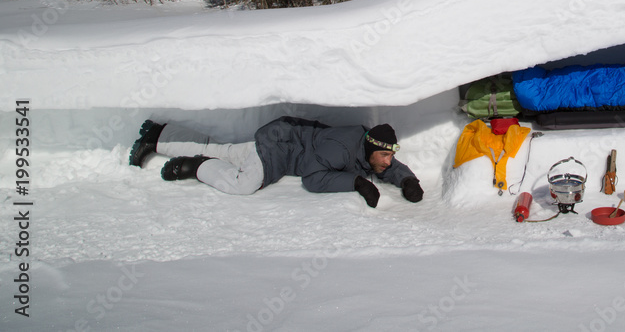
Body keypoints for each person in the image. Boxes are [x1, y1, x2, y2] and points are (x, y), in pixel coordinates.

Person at [128, 116, 423, 207]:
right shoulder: (340, 150)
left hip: (280, 138)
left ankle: (157, 135)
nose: (388, 161)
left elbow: (384, 166)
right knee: (244, 184)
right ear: (371, 148)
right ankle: (194, 166)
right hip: (279, 148)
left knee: (225, 151)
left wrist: (408, 180)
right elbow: (313, 177)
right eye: (385, 154)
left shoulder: (367, 149)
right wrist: (356, 183)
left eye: (390, 155)